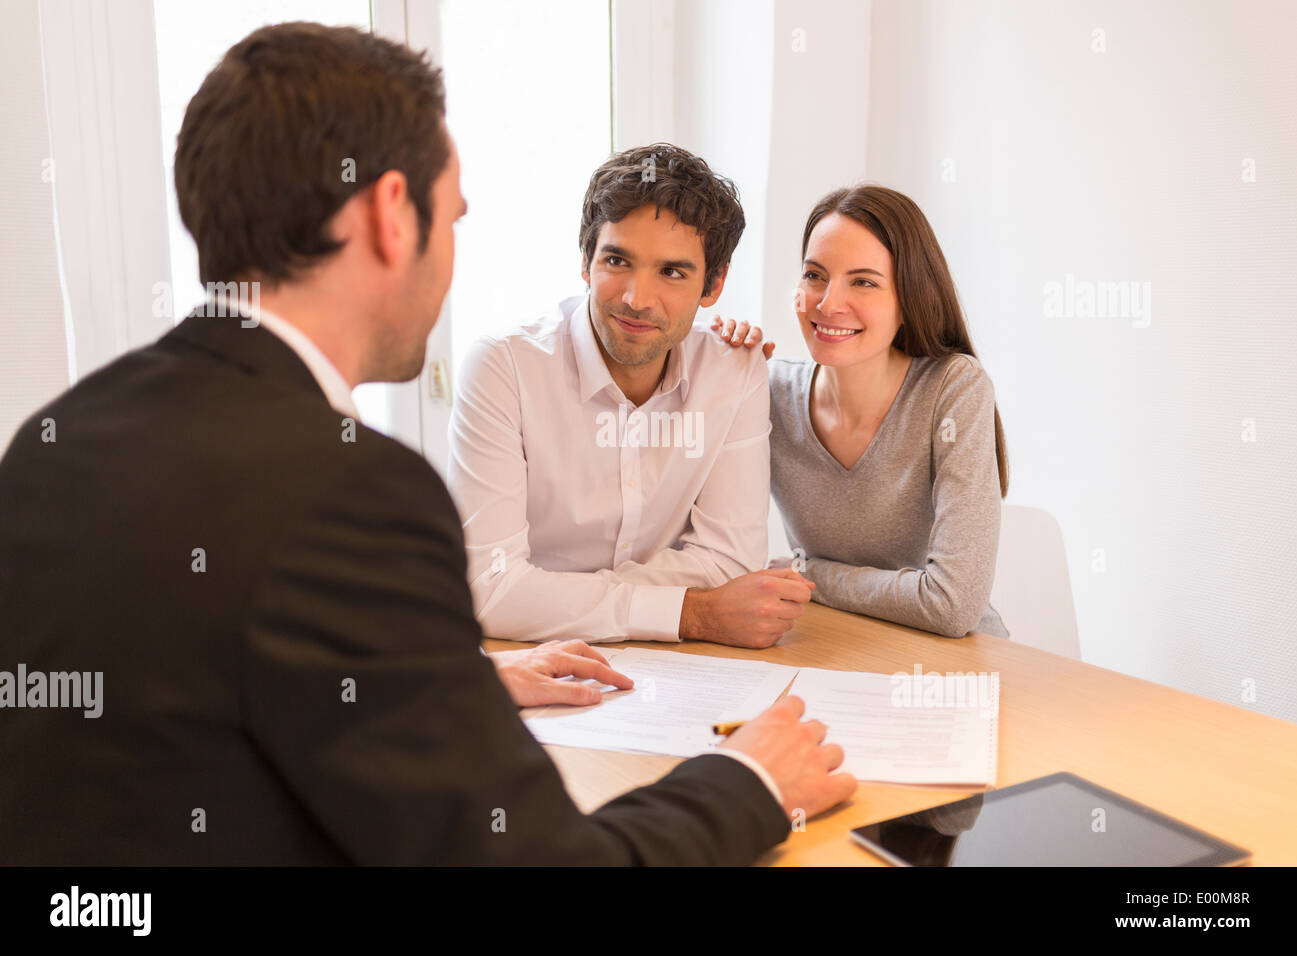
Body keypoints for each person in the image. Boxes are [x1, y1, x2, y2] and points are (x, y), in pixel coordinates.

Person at [0, 22, 855, 865]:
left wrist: (444, 684)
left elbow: (184, 706)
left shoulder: (53, 446)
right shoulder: (354, 492)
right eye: (452, 219)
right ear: (388, 218)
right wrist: (749, 781)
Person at [447, 144, 815, 649]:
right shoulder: (502, 367)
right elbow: (490, 590)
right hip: (522, 656)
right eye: (617, 260)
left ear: (713, 285)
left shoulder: (734, 369)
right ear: (585, 261)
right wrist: (692, 613)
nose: (637, 300)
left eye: (672, 272)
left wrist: (543, 596)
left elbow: (730, 563)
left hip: (671, 667)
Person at [712, 185, 1010, 638]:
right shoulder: (766, 393)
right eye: (815, 275)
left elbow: (951, 606)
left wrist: (808, 573)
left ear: (910, 298)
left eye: (864, 282)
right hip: (829, 647)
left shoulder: (953, 387)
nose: (829, 303)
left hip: (953, 672)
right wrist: (712, 369)